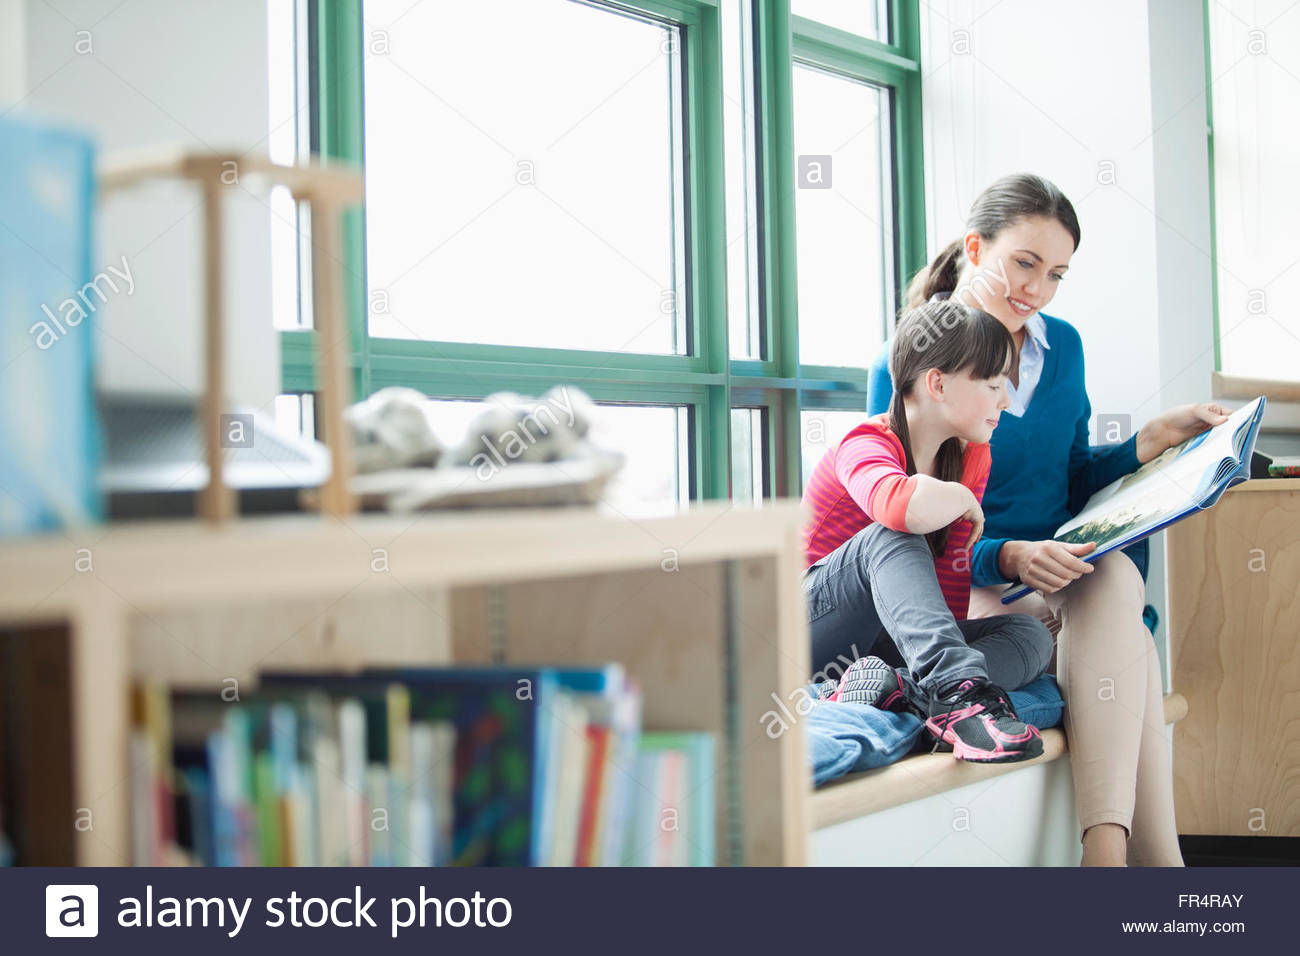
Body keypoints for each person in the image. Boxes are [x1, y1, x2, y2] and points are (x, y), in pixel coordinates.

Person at [868, 172, 1230, 864]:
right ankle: (1147, 866)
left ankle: (1113, 859)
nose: (1036, 289)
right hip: (969, 585)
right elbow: (896, 527)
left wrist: (1149, 441)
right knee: (1130, 632)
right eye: (1024, 263)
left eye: (1057, 274)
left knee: (1113, 576)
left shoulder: (1061, 347)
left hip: (1061, 576)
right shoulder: (916, 360)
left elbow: (1070, 479)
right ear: (975, 247)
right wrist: (1006, 554)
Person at [801, 299, 1053, 763]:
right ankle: (961, 699)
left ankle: (902, 688)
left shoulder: (972, 456)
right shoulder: (864, 443)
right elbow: (898, 509)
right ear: (937, 383)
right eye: (995, 384)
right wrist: (960, 498)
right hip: (809, 630)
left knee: (1031, 636)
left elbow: (949, 584)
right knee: (891, 533)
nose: (1006, 400)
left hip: (886, 650)